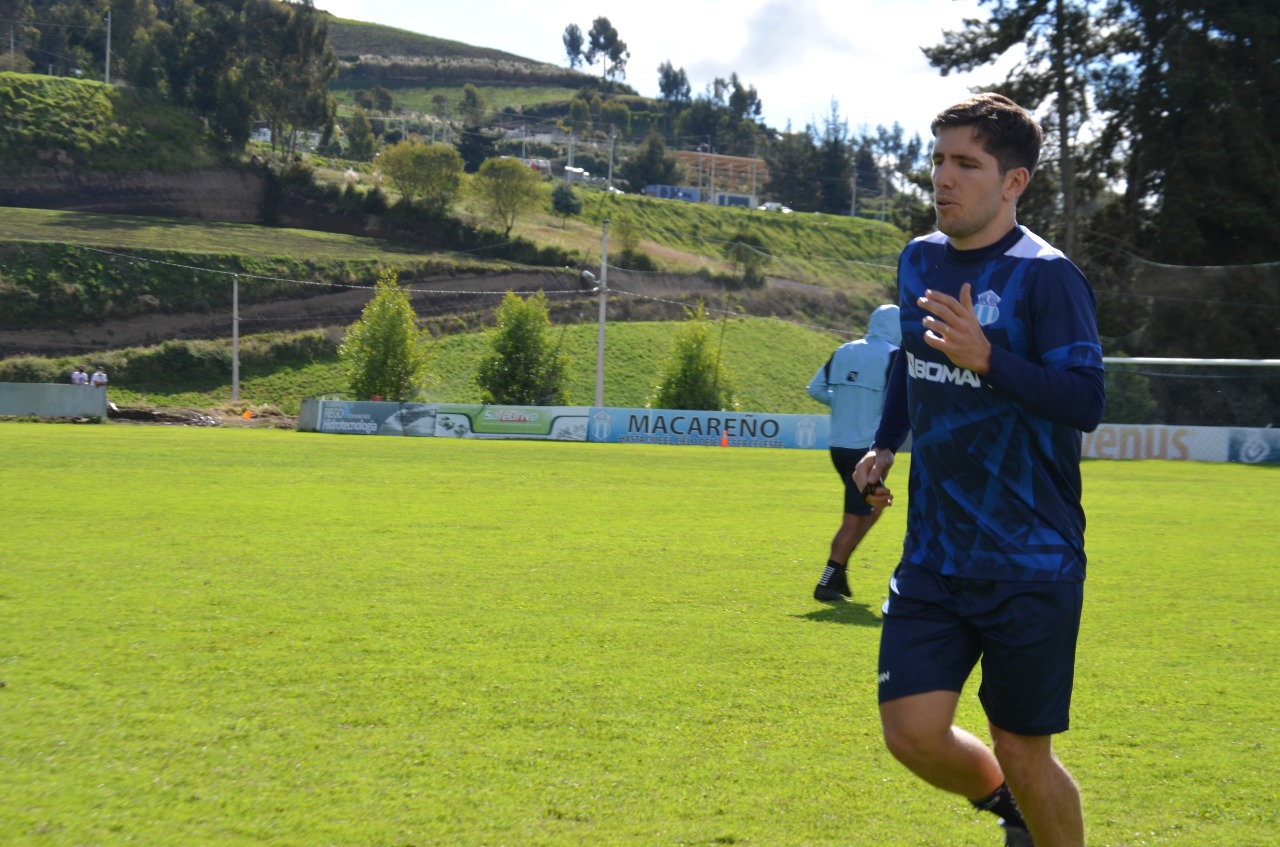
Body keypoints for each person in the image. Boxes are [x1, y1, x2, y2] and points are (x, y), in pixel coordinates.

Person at [854, 93, 1104, 847]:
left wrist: (990, 358)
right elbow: (911, 358)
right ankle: (1011, 812)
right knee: (912, 732)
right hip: (935, 552)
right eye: (938, 160)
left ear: (1015, 182)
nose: (944, 177)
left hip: (1030, 558)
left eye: (967, 162)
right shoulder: (920, 259)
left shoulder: (1048, 277)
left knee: (1024, 748)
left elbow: (1085, 400)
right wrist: (888, 440)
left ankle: (1032, 809)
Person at [806, 304, 901, 602]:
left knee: (874, 506)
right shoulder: (894, 356)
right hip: (868, 450)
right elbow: (901, 400)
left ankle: (839, 570)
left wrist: (846, 401)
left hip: (839, 445)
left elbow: (815, 389)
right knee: (855, 515)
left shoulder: (844, 350)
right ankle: (827, 582)